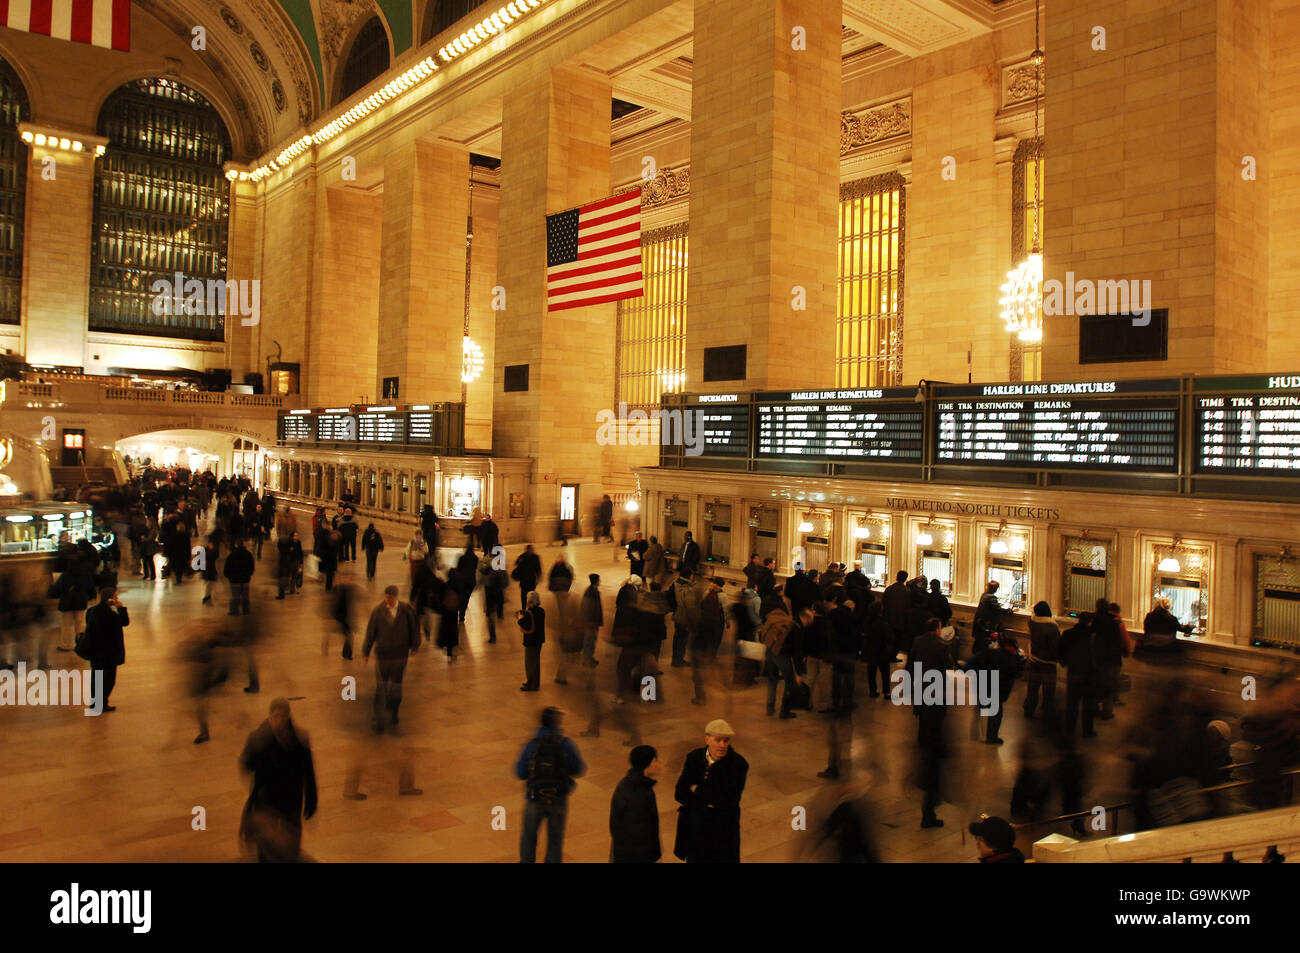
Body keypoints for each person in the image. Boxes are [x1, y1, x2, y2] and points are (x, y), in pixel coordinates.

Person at [239, 698, 318, 863]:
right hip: (269, 800)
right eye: (276, 716)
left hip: (291, 798)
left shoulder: (300, 739)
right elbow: (246, 764)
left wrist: (311, 797)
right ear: (270, 717)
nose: (279, 721)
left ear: (288, 716)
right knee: (266, 844)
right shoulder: (259, 738)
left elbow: (308, 770)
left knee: (292, 842)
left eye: (283, 716)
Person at [515, 707, 586, 863]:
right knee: (555, 839)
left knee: (529, 837)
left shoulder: (532, 745)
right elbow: (579, 769)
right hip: (558, 798)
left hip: (534, 798)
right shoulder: (566, 744)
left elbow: (519, 772)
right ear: (558, 723)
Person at [673, 719, 749, 863]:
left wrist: (697, 789)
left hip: (722, 832)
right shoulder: (694, 757)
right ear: (707, 739)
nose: (722, 745)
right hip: (695, 829)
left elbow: (728, 801)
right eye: (718, 740)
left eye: (726, 740)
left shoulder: (738, 765)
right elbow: (680, 793)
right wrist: (709, 800)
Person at [908, 617, 953, 828]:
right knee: (935, 718)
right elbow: (948, 666)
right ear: (937, 629)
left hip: (920, 686)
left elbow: (910, 665)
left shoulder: (917, 641)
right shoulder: (942, 646)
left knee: (923, 717)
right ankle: (931, 739)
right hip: (936, 689)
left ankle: (922, 739)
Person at [362, 586, 420, 730]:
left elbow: (414, 628)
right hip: (383, 655)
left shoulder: (406, 611)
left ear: (396, 597)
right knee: (380, 687)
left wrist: (415, 646)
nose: (387, 600)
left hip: (400, 656)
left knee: (396, 686)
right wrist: (366, 651)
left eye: (390, 598)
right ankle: (378, 718)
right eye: (386, 597)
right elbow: (371, 632)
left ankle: (394, 711)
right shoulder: (378, 612)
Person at [610, 745, 662, 863]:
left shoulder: (631, 783)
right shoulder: (639, 794)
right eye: (655, 760)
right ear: (646, 765)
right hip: (637, 855)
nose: (660, 763)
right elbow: (639, 832)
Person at [81, 587, 128, 712]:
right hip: (108, 653)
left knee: (96, 679)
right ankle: (101, 703)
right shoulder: (110, 615)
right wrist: (121, 608)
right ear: (110, 599)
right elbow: (124, 622)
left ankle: (95, 704)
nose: (117, 599)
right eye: (116, 597)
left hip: (95, 652)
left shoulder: (92, 611)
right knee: (108, 680)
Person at [1058, 612, 1100, 738]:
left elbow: (1061, 651)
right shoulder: (1093, 636)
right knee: (1088, 704)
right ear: (1090, 622)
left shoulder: (1068, 634)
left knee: (1072, 703)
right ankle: (1087, 731)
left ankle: (1069, 729)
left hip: (1074, 672)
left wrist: (1065, 663)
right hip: (1089, 674)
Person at [760, 601, 804, 718]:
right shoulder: (794, 626)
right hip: (781, 654)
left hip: (769, 650)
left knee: (772, 680)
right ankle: (784, 711)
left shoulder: (773, 619)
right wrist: (799, 672)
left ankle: (769, 708)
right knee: (790, 682)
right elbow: (797, 652)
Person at [1025, 601, 1061, 718]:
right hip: (1048, 663)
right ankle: (1046, 711)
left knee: (1032, 688)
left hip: (1034, 659)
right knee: (1048, 690)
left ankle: (1029, 709)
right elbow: (1055, 646)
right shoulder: (1052, 627)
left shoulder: (1031, 622)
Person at [548, 553, 575, 684]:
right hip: (563, 589)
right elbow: (570, 577)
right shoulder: (566, 568)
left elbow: (552, 577)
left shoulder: (558, 567)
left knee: (561, 655)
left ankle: (562, 676)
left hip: (564, 637)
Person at [668, 569, 698, 667]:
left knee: (677, 638)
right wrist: (694, 621)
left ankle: (675, 659)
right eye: (692, 575)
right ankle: (678, 660)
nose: (693, 577)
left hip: (677, 615)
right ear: (689, 576)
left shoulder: (676, 583)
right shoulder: (687, 588)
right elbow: (690, 607)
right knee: (682, 639)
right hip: (684, 617)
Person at [518, 590, 546, 691]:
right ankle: (535, 682)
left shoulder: (529, 613)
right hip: (539, 640)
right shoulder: (541, 611)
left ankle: (531, 684)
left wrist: (520, 619)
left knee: (530, 663)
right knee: (536, 662)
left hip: (530, 641)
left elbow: (526, 625)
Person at [223, 537, 255, 616]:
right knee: (245, 596)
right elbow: (252, 566)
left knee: (234, 597)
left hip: (234, 580)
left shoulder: (232, 555)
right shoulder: (248, 554)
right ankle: (246, 610)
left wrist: (229, 576)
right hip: (245, 579)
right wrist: (248, 575)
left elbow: (227, 568)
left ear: (236, 545)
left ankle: (234, 611)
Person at [881, 570, 910, 656]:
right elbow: (908, 606)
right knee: (897, 639)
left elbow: (884, 602)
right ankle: (893, 656)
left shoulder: (889, 589)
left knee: (888, 638)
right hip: (900, 620)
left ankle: (886, 654)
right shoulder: (907, 591)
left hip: (888, 618)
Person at [971, 581, 1003, 654]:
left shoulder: (984, 595)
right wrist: (1011, 610)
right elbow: (998, 610)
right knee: (984, 648)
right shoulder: (991, 597)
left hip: (979, 626)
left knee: (978, 646)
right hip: (985, 627)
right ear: (995, 589)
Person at [580, 573, 603, 667]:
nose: (600, 581)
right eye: (599, 579)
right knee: (589, 641)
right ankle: (586, 660)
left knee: (591, 640)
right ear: (596, 581)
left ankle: (589, 658)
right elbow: (588, 608)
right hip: (590, 622)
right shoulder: (591, 593)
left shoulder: (592, 591)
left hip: (592, 621)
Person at [512, 545, 542, 610]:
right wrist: (519, 561)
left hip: (531, 580)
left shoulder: (535, 557)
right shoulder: (522, 557)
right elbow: (516, 563)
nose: (531, 551)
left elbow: (538, 568)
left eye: (532, 550)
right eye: (530, 550)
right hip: (524, 580)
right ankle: (524, 608)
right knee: (523, 595)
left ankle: (531, 608)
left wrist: (539, 577)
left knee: (531, 594)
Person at [276, 530, 303, 599]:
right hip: (290, 561)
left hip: (296, 561)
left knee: (295, 575)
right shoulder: (289, 543)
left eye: (297, 535)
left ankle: (292, 589)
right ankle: (287, 588)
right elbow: (287, 552)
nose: (296, 537)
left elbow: (300, 552)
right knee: (289, 575)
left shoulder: (298, 542)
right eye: (295, 535)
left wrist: (301, 562)